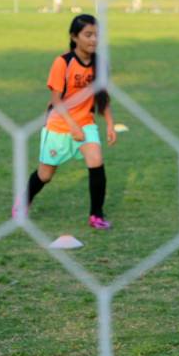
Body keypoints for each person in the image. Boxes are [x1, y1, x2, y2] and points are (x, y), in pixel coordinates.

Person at [18, 14, 117, 230]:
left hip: (85, 123)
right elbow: (56, 99)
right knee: (45, 175)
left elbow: (103, 97)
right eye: (88, 35)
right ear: (74, 37)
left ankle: (96, 215)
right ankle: (24, 200)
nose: (93, 40)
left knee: (96, 160)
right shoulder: (63, 62)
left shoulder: (100, 64)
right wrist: (72, 126)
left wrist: (109, 123)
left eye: (96, 35)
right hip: (59, 125)